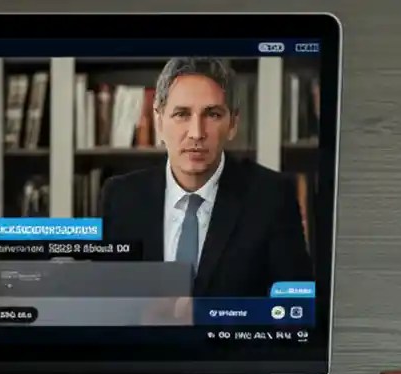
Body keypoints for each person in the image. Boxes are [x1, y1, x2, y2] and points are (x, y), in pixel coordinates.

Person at [100, 57, 314, 299]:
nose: (196, 133)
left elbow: (296, 310)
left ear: (233, 123)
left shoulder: (272, 197)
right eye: (182, 114)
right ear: (159, 123)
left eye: (212, 114)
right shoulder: (121, 196)